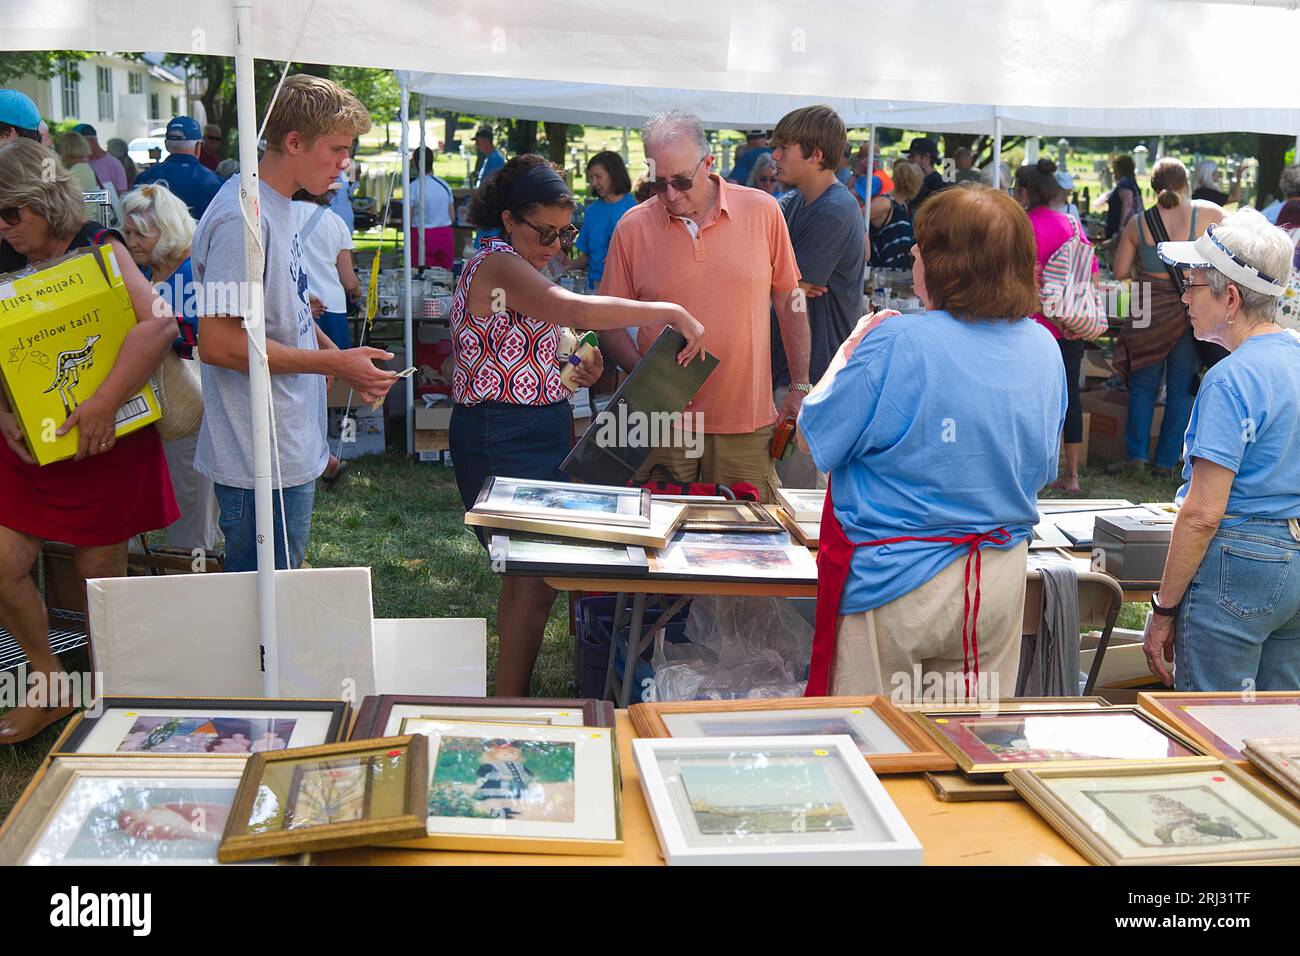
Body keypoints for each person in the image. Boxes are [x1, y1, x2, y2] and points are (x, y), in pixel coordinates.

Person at [448, 153, 704, 695]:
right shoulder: (495, 264)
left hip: (534, 425)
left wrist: (574, 372)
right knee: (532, 577)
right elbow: (575, 311)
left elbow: (526, 349)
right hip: (502, 435)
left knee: (535, 577)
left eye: (565, 236)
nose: (554, 248)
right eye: (544, 233)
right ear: (509, 219)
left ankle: (515, 699)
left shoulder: (520, 265)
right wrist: (669, 311)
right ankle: (508, 703)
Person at [798, 185, 1066, 699]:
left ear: (948, 265)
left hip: (895, 585)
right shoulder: (1044, 346)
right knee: (966, 752)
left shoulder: (895, 340)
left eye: (922, 249)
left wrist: (847, 355)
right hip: (997, 581)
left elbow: (815, 439)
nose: (914, 255)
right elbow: (1043, 468)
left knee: (870, 752)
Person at [0, 139, 179, 742]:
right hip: (26, 446)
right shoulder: (3, 255)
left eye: (10, 213)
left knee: (100, 576)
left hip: (107, 439)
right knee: (2, 563)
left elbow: (159, 323)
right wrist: (3, 415)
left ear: (44, 201)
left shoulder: (102, 247)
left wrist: (102, 404)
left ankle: (114, 705)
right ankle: (48, 683)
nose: (4, 227)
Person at [191, 74, 397, 573]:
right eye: (338, 149)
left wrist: (333, 353)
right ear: (294, 141)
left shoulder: (280, 204)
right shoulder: (242, 217)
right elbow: (218, 343)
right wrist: (333, 361)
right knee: (262, 608)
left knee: (283, 591)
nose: (345, 163)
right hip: (257, 456)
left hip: (285, 440)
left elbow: (290, 306)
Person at [598, 110, 805, 502]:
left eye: (680, 181)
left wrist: (799, 383)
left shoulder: (762, 210)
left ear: (709, 164)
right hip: (659, 421)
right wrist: (646, 378)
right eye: (659, 183)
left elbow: (789, 300)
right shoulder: (632, 226)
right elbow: (608, 319)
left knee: (746, 547)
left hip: (744, 423)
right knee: (658, 541)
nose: (671, 194)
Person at [1141, 208, 1300, 692]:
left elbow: (1202, 513)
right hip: (1293, 558)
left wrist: (1163, 609)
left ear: (1230, 296)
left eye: (1190, 284)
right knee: (1279, 736)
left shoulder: (1230, 379)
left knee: (1210, 730)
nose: (1183, 296)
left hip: (1239, 561)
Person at [766, 105, 866, 491]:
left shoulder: (837, 210)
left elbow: (787, 290)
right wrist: (786, 284)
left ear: (816, 154)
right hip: (789, 369)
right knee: (779, 484)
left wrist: (785, 284)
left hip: (814, 377)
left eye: (783, 148)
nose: (774, 156)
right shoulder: (790, 203)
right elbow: (782, 285)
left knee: (799, 493)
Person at [120, 182, 221, 552]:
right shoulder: (150, 272)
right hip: (166, 407)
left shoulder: (192, 272)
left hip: (194, 405)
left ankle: (196, 576)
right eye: (127, 232)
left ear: (167, 231)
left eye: (139, 233)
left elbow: (201, 339)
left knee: (192, 504)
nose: (130, 241)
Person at [1112, 157, 1224, 476]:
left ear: (1153, 187)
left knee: (1144, 384)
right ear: (1185, 183)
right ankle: (1165, 462)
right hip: (1186, 306)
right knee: (1180, 388)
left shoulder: (1137, 223)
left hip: (1147, 305)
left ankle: (1135, 456)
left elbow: (1119, 271)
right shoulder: (1206, 214)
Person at [1014, 158, 1097, 494]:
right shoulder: (1072, 225)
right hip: (1069, 324)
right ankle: (1072, 475)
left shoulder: (1022, 226)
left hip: (1030, 325)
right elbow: (1091, 270)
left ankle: (1028, 472)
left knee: (1028, 398)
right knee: (1069, 398)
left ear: (1023, 192)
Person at [293, 188, 360, 349]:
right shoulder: (335, 221)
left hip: (293, 301)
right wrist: (357, 291)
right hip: (330, 305)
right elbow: (349, 281)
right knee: (334, 366)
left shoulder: (281, 212)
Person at [132, 116, 223, 221]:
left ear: (166, 145)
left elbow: (134, 219)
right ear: (198, 146)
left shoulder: (144, 179)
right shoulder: (216, 183)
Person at [569, 150, 635, 290]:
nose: (594, 183)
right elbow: (587, 256)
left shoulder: (636, 210)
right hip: (595, 289)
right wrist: (564, 266)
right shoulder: (592, 212)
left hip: (627, 291)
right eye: (591, 178)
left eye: (598, 177)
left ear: (614, 175)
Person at [407, 145, 455, 268]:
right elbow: (452, 216)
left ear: (415, 163)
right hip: (445, 235)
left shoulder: (413, 187)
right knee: (445, 275)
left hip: (422, 235)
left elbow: (407, 218)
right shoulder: (444, 185)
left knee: (420, 275)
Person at [71, 124, 128, 194]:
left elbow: (121, 195)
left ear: (91, 141)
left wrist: (85, 199)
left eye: (78, 143)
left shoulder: (113, 163)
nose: (75, 147)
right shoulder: (78, 164)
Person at [869, 186, 915, 271]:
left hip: (900, 270)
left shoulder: (906, 206)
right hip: (882, 269)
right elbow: (856, 218)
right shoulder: (884, 203)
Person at [1104, 154, 1141, 241]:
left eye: (1115, 169)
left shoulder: (1124, 183)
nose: (1113, 172)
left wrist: (1121, 228)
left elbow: (1128, 204)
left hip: (1119, 229)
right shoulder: (1132, 183)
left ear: (1120, 169)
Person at [906, 137, 948, 209]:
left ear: (926, 157)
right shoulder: (918, 181)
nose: (908, 159)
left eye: (912, 156)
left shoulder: (937, 185)